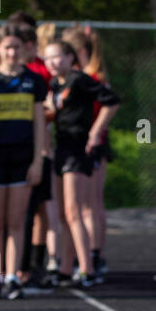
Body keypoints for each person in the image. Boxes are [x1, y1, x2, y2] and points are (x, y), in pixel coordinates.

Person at [0, 23, 46, 300]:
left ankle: (13, 276)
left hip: (22, 156)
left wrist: (38, 161)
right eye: (7, 47)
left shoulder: (34, 81)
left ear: (24, 49)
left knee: (16, 221)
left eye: (16, 47)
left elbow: (40, 123)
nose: (12, 52)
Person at [43, 37, 120, 288]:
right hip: (61, 146)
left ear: (69, 57)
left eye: (57, 57)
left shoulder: (79, 79)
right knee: (65, 215)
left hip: (78, 149)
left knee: (74, 211)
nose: (52, 63)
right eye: (47, 58)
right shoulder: (55, 84)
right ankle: (65, 268)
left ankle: (87, 268)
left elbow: (111, 100)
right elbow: (52, 111)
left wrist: (95, 132)